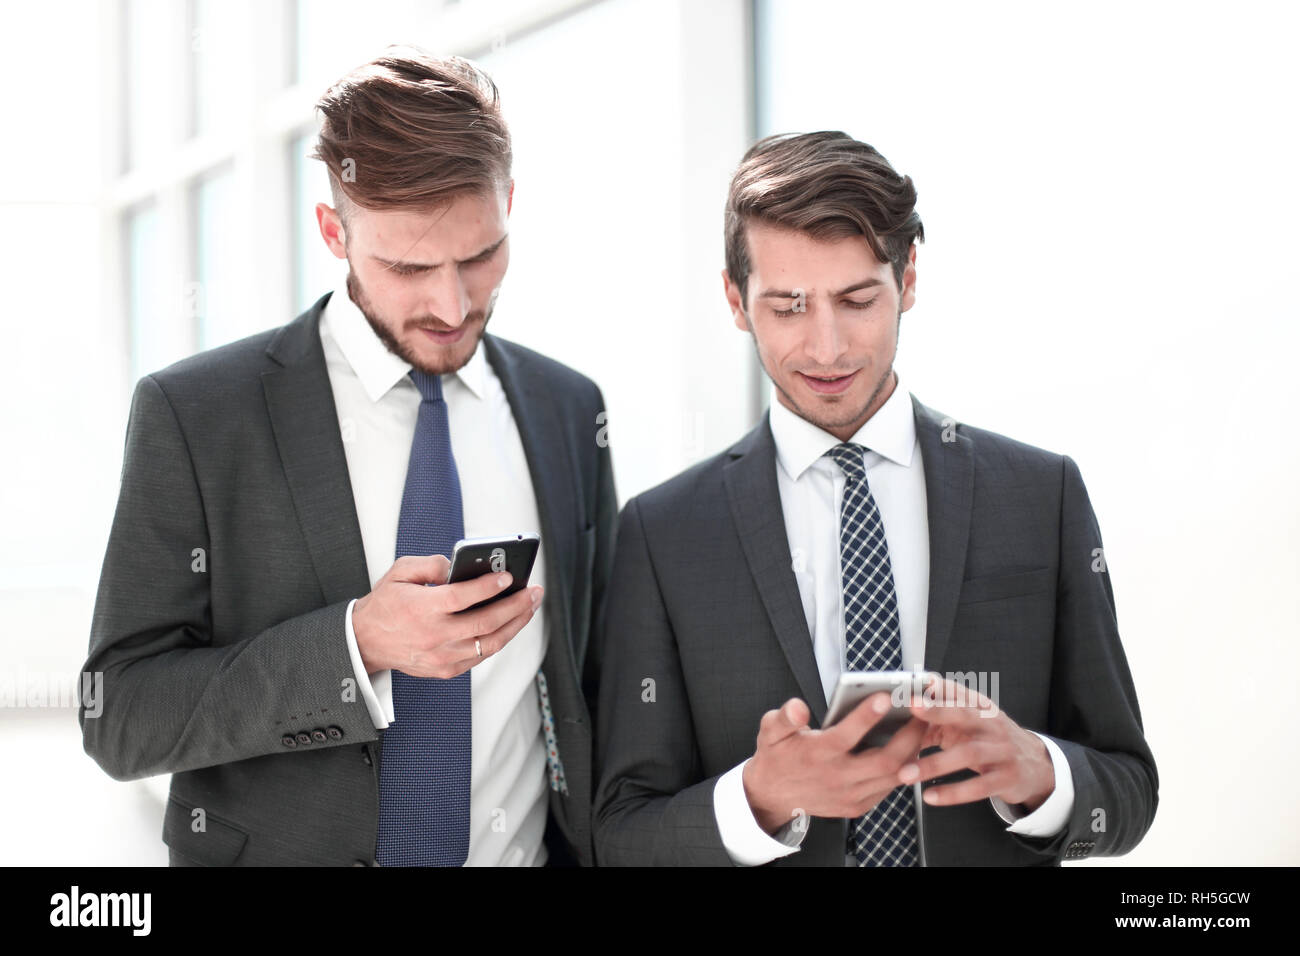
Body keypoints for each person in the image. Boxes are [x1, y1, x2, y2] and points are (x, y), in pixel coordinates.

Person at [80, 49, 615, 867]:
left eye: (479, 257)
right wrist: (354, 644)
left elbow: (598, 679)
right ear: (334, 231)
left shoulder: (570, 411)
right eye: (407, 267)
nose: (452, 303)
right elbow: (118, 715)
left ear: (508, 205)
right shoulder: (198, 415)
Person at [592, 131, 1157, 866]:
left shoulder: (1039, 495)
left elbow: (1130, 789)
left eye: (857, 299)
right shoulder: (663, 534)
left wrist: (1040, 773)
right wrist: (758, 797)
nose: (827, 348)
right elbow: (621, 834)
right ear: (735, 300)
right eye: (787, 308)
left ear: (909, 279)